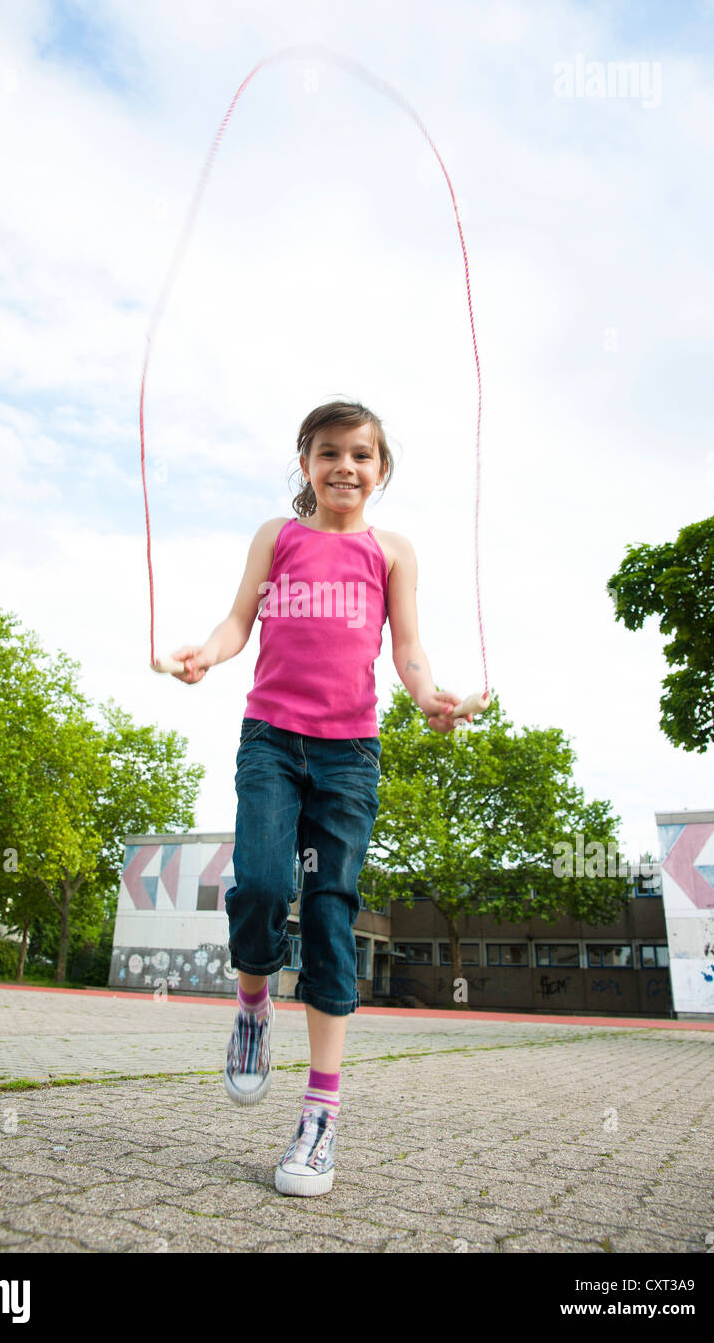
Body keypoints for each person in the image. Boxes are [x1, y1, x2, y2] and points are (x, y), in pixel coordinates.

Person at [162, 398, 473, 1196]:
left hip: (349, 755)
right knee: (263, 883)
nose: (345, 466)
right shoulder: (278, 536)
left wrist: (431, 697)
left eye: (361, 454)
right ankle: (254, 1003)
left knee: (331, 907)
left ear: (380, 470)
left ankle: (320, 1118)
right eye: (328, 452)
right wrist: (207, 653)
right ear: (304, 463)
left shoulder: (393, 551)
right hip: (270, 738)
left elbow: (406, 649)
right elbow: (239, 622)